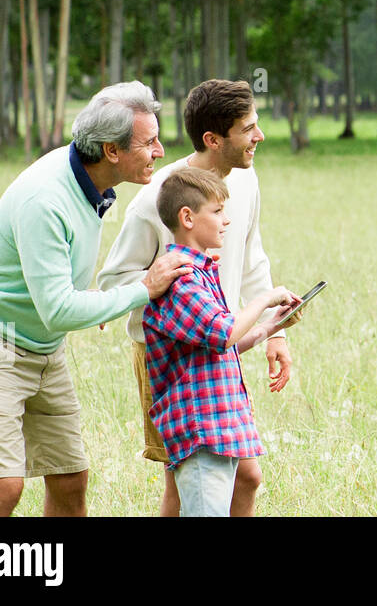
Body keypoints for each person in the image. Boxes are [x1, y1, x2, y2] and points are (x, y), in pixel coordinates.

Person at [0, 81, 189, 517]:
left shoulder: (94, 178)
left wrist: (93, 298)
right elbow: (57, 310)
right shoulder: (47, 197)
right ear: (111, 150)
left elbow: (57, 286)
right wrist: (143, 289)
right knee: (3, 487)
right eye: (149, 142)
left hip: (43, 350)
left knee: (70, 478)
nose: (160, 151)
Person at [98, 78, 294, 516]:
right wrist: (155, 279)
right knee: (183, 481)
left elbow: (251, 256)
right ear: (213, 139)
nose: (259, 137)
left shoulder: (244, 182)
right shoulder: (160, 197)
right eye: (249, 129)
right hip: (169, 356)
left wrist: (275, 336)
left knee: (245, 475)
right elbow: (113, 280)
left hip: (221, 344)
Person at [142, 168, 298, 516]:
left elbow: (222, 347)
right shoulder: (181, 280)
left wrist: (272, 326)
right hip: (201, 430)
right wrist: (265, 299)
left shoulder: (201, 274)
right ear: (188, 218)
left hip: (220, 427)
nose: (227, 221)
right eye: (217, 211)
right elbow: (223, 332)